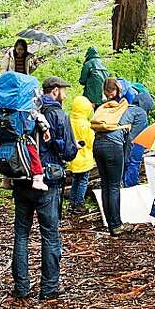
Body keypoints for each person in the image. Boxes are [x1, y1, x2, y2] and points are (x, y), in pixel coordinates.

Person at [7, 74, 73, 302]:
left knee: (21, 235)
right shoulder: (58, 115)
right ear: (54, 90)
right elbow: (69, 152)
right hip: (48, 182)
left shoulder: (21, 111)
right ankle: (49, 288)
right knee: (50, 236)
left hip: (21, 179)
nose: (65, 93)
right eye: (64, 89)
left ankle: (21, 287)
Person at [90, 80, 132, 235]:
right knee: (114, 185)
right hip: (113, 146)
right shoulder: (123, 107)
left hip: (98, 144)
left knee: (105, 184)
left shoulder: (102, 108)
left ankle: (110, 221)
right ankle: (116, 225)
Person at [65, 86, 97, 218]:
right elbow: (90, 141)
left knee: (75, 180)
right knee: (83, 181)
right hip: (84, 157)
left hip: (73, 158)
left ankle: (72, 203)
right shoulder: (86, 124)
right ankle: (79, 203)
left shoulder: (69, 120)